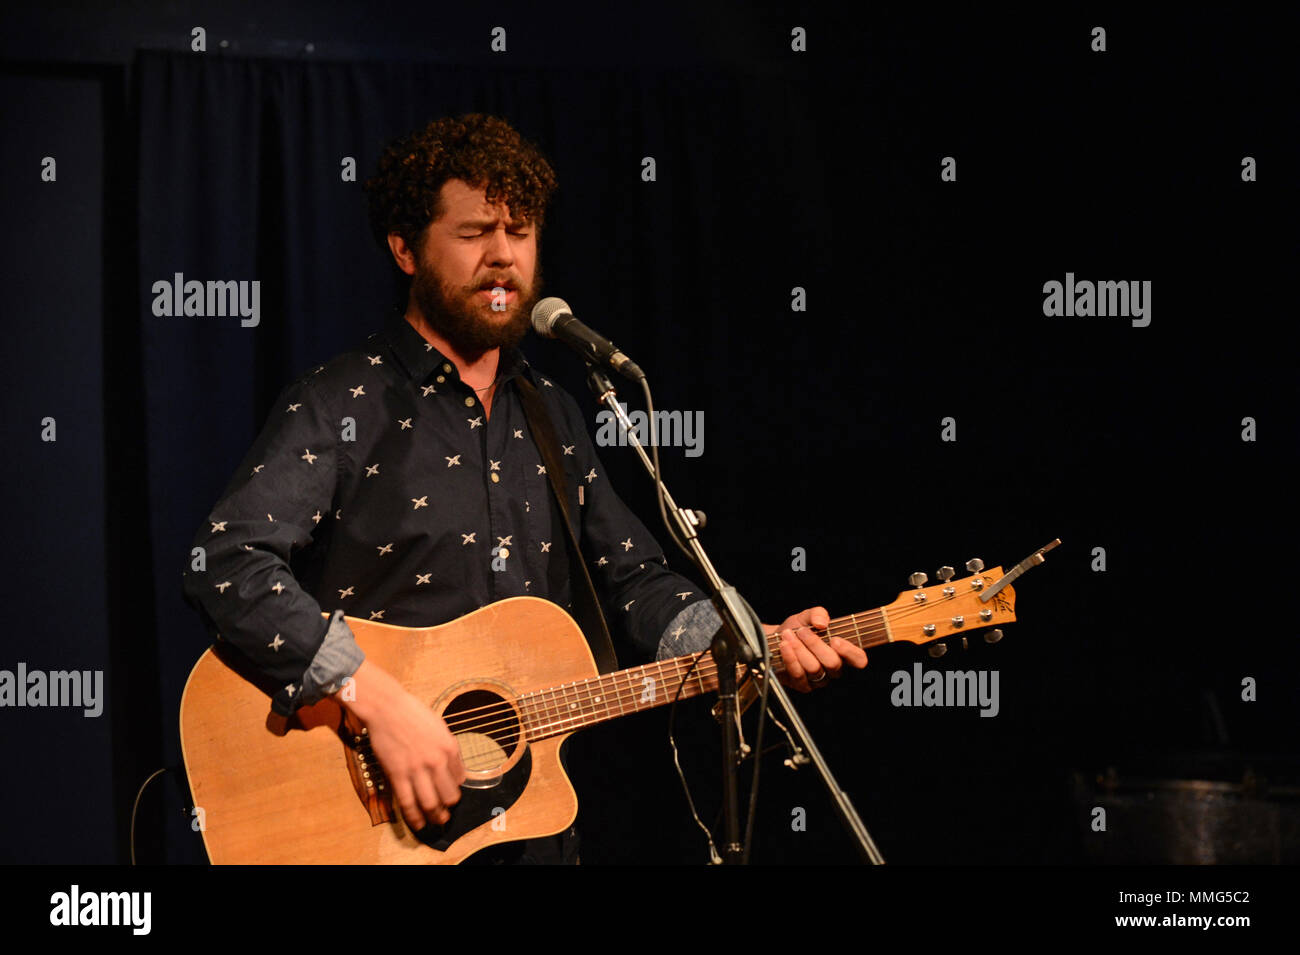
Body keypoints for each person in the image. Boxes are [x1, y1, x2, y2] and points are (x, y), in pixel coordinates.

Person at [181, 113, 867, 864]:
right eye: (475, 231)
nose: (504, 255)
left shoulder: (554, 412)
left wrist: (747, 645)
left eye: (522, 230)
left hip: (528, 834)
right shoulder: (342, 402)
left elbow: (635, 580)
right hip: (371, 833)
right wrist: (377, 701)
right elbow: (228, 562)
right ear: (406, 249)